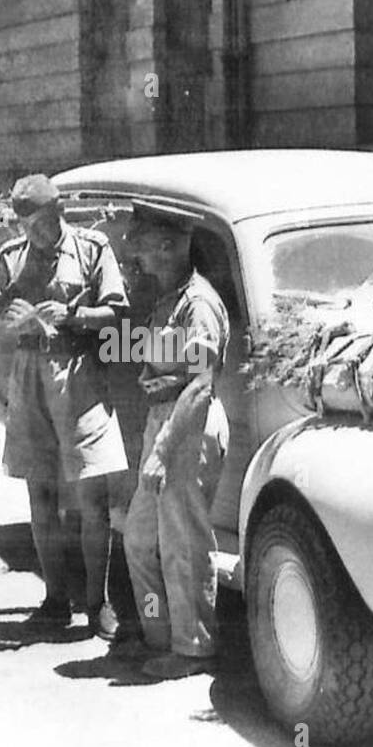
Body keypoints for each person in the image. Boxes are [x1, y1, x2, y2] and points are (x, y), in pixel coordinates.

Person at [0, 174, 129, 638]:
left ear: (58, 212)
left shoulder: (92, 249)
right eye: (25, 225)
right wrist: (5, 317)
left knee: (91, 496)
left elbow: (118, 312)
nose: (33, 233)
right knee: (40, 492)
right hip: (29, 374)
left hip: (80, 374)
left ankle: (98, 604)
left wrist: (75, 315)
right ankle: (55, 598)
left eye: (40, 222)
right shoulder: (10, 257)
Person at [121, 212, 230, 679]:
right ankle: (159, 635)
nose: (136, 257)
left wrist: (163, 449)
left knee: (182, 544)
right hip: (164, 421)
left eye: (142, 247)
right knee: (140, 540)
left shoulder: (198, 304)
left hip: (187, 428)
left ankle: (192, 650)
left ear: (167, 247)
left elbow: (200, 386)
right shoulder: (169, 299)